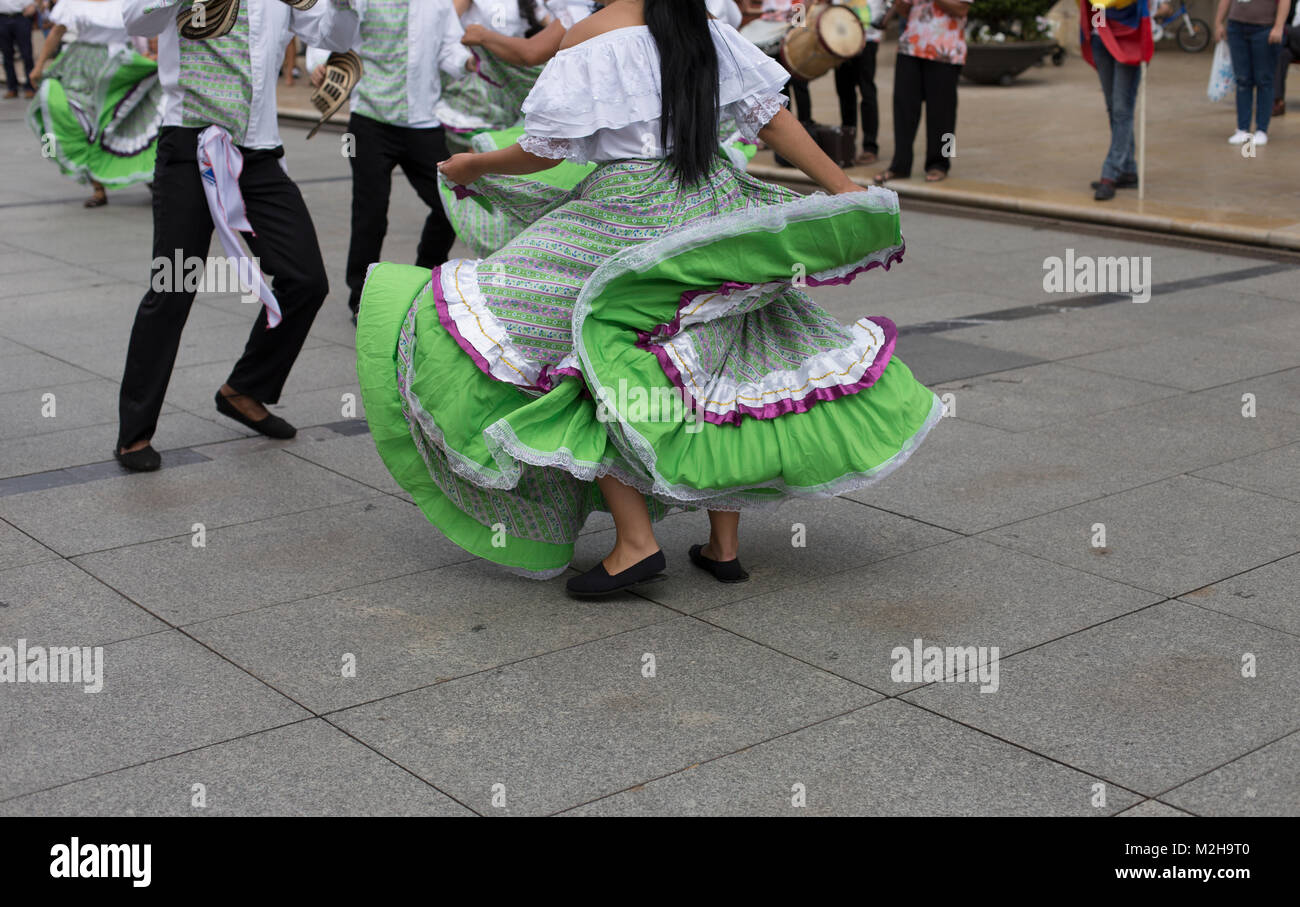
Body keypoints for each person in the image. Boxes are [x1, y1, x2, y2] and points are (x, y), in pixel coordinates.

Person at [355, 0, 941, 595]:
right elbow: (771, 119)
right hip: (711, 206)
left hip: (627, 216)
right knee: (719, 360)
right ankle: (723, 546)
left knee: (584, 354)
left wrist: (477, 164)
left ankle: (636, 545)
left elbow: (547, 148)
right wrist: (844, 190)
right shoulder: (702, 27)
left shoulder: (591, 34)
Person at [114, 0, 361, 472]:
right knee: (173, 286)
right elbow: (137, 19)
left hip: (258, 152)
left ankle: (244, 388)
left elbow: (336, 38)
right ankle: (134, 432)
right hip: (189, 145)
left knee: (306, 280)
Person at [306, 0, 479, 324]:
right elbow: (332, 35)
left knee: (449, 202)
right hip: (367, 122)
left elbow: (449, 51)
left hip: (422, 122)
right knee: (369, 211)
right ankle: (362, 296)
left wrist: (470, 62)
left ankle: (425, 278)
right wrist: (319, 62)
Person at [28, 0, 161, 208]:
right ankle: (98, 188)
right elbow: (56, 33)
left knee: (126, 122)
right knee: (84, 125)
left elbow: (152, 26)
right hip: (81, 66)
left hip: (121, 68)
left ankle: (148, 175)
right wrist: (39, 66)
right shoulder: (73, 3)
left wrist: (155, 51)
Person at [874, 0, 972, 185]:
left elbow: (961, 9)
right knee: (903, 110)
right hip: (910, 46)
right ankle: (899, 165)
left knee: (944, 115)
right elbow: (905, 11)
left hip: (947, 51)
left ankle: (942, 163)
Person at [1079, 0, 1153, 200]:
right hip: (1099, 31)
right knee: (1114, 108)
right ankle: (1127, 169)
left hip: (1128, 36)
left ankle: (1110, 173)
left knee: (1122, 109)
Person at [1216, 0, 1290, 144]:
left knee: (1264, 80)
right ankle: (1242, 128)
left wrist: (1278, 26)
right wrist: (1218, 22)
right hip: (1236, 26)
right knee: (1242, 80)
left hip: (1264, 28)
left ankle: (1261, 129)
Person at [835, 0, 884, 166]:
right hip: (839, 38)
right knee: (845, 93)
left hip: (867, 38)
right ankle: (847, 146)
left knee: (867, 93)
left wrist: (881, 22)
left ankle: (870, 147)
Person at [0, 0, 37, 98]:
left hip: (21, 16)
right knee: (6, 55)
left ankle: (30, 87)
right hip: (2, 17)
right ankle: (12, 87)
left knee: (26, 54)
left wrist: (35, 4)